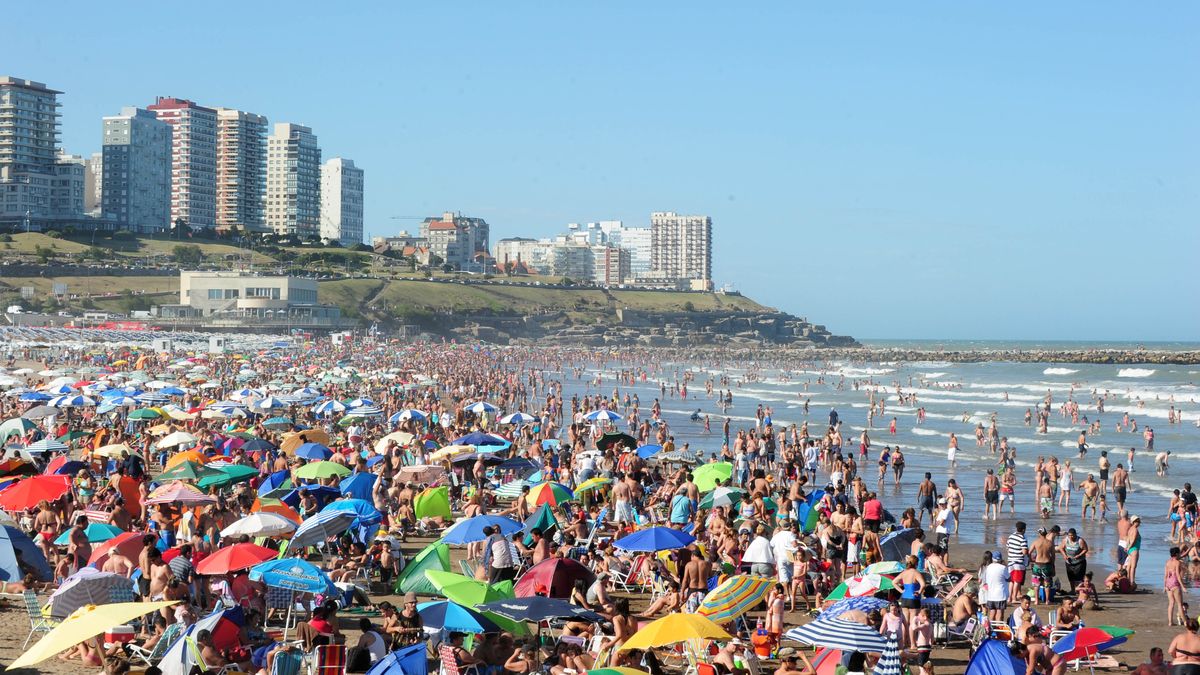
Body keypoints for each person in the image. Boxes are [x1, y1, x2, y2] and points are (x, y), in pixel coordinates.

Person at [981, 551, 1010, 622]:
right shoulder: (1003, 568)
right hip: (1000, 594)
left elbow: (985, 579)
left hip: (990, 594)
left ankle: (990, 628)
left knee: (992, 612)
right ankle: (998, 628)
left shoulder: (988, 567)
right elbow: (1009, 578)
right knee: (999, 612)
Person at [1166, 546, 1187, 627]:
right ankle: (1185, 622)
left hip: (1168, 584)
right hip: (1175, 584)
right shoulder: (1177, 563)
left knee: (1171, 603)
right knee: (1179, 604)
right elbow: (1178, 576)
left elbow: (1166, 575)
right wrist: (1183, 587)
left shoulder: (1168, 562)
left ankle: (1170, 622)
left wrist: (1165, 585)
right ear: (1177, 554)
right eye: (1179, 553)